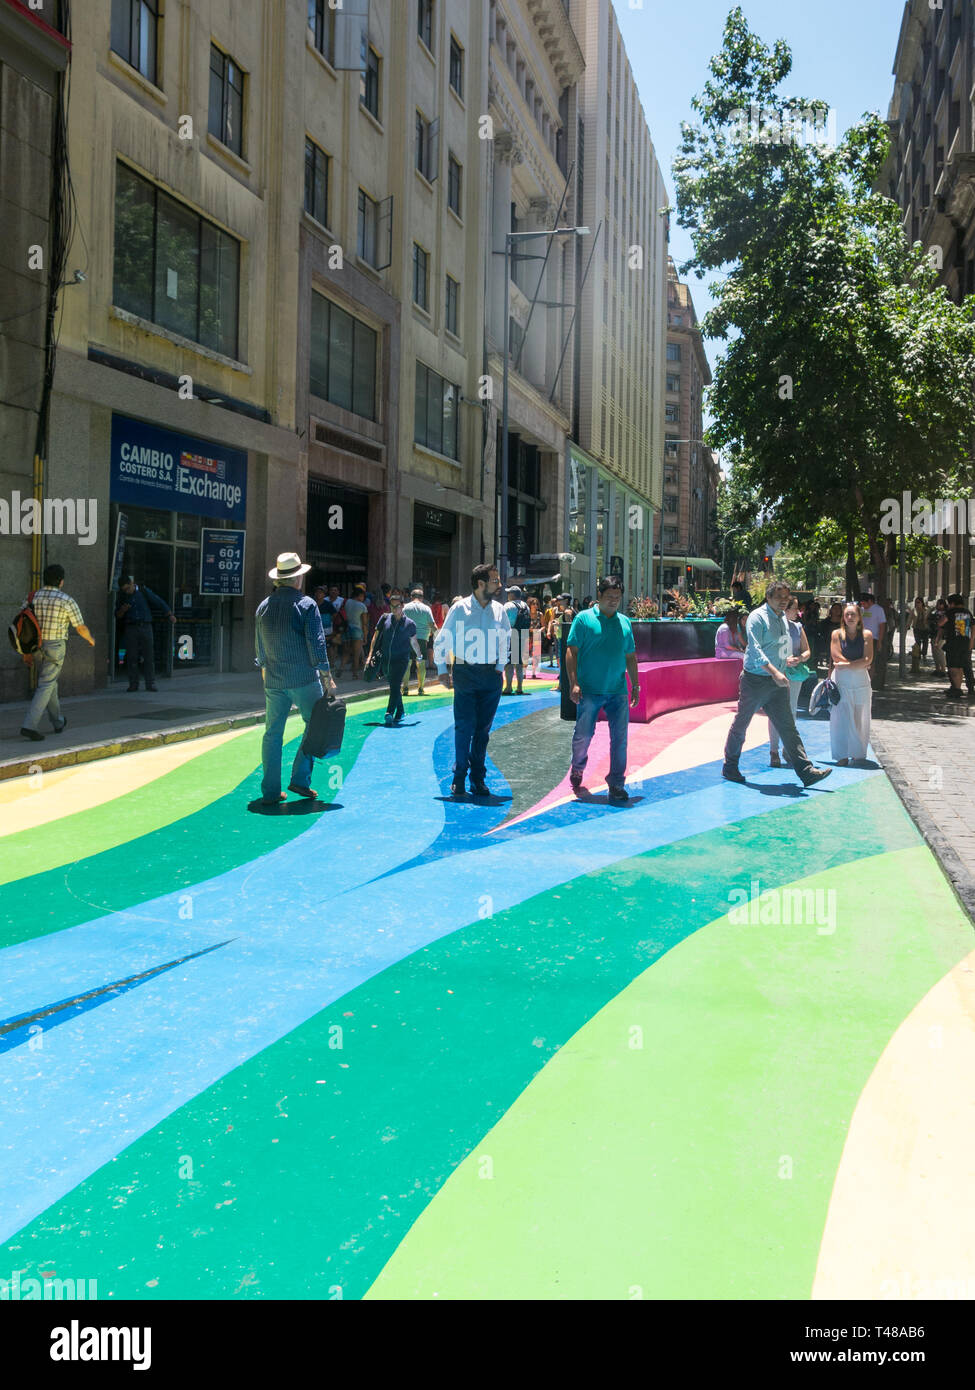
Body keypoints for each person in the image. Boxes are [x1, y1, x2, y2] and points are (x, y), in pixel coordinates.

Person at [722, 579, 831, 787]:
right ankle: (730, 765)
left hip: (777, 681)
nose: (783, 601)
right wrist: (774, 672)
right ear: (768, 597)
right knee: (741, 724)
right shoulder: (757, 617)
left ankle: (806, 771)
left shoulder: (782, 619)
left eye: (786, 597)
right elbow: (754, 650)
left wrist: (784, 670)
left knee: (788, 726)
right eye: (779, 597)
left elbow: (781, 647)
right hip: (755, 680)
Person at [255, 551, 336, 805]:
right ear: (298, 578)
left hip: (274, 680)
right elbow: (317, 644)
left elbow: (260, 648)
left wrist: (265, 672)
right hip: (303, 678)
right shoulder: (307, 605)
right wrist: (327, 677)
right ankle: (300, 779)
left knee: (272, 734)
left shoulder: (263, 606)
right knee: (314, 726)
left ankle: (270, 790)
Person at [434, 564, 511, 797]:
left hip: (491, 677)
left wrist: (499, 668)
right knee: (464, 727)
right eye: (495, 580)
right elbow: (442, 639)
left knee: (482, 730)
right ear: (481, 584)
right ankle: (459, 777)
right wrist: (441, 669)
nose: (499, 584)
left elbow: (507, 639)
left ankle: (478, 778)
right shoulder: (460, 609)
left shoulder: (499, 611)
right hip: (465, 672)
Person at [564, 577, 640, 802]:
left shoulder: (624, 622)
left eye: (618, 597)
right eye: (610, 597)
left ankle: (616, 783)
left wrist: (635, 685)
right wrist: (573, 682)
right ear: (599, 596)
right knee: (584, 735)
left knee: (620, 738)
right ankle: (578, 767)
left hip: (618, 691)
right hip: (589, 690)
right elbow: (571, 652)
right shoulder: (584, 619)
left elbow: (631, 656)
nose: (614, 601)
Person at [20, 563, 96, 741]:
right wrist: (90, 639)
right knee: (46, 685)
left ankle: (58, 722)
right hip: (55, 647)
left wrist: (26, 652)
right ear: (61, 581)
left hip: (36, 646)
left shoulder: (32, 597)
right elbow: (80, 626)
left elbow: (23, 624)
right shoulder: (66, 600)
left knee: (50, 684)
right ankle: (29, 725)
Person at [366, 593, 424, 725]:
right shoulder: (384, 618)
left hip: (401, 660)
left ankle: (389, 712)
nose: (394, 609)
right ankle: (401, 711)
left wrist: (419, 656)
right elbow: (375, 638)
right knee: (394, 686)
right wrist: (370, 655)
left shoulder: (410, 624)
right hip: (386, 659)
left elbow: (414, 642)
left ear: (402, 606)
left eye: (397, 606)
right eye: (392, 606)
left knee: (395, 684)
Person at [768, 596, 812, 767]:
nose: (797, 612)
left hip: (793, 674)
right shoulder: (773, 627)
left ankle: (789, 749)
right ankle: (774, 750)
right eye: (795, 609)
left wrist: (799, 658)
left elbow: (807, 650)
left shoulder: (797, 628)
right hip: (776, 672)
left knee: (792, 710)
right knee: (775, 711)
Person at [829, 602, 874, 763]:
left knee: (859, 717)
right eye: (847, 614)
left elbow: (869, 658)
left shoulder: (867, 634)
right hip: (842, 680)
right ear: (843, 617)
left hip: (861, 680)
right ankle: (841, 755)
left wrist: (848, 665)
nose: (850, 617)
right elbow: (836, 656)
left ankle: (857, 752)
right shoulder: (836, 634)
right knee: (841, 718)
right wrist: (859, 664)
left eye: (853, 614)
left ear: (859, 617)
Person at [116, 574, 175, 691]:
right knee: (132, 656)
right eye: (124, 590)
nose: (127, 591)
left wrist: (169, 614)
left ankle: (150, 683)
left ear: (132, 584)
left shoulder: (143, 592)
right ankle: (133, 683)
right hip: (131, 627)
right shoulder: (122, 597)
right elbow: (117, 615)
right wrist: (122, 610)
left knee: (148, 655)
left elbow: (158, 601)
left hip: (146, 626)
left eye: (128, 588)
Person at [401, 587, 437, 696]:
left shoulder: (404, 607)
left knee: (407, 663)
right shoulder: (426, 609)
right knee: (420, 664)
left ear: (411, 597)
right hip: (421, 640)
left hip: (406, 639)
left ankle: (405, 688)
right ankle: (420, 688)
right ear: (422, 598)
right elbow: (432, 625)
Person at [943, 592, 975, 700]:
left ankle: (956, 689)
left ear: (952, 603)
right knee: (965, 666)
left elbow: (941, 623)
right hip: (965, 643)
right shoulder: (968, 612)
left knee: (953, 667)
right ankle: (970, 688)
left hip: (953, 643)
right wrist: (971, 642)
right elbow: (973, 628)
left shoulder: (951, 612)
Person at [503, 584, 532, 694]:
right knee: (519, 663)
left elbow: (503, 620)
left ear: (512, 594)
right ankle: (519, 687)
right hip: (523, 634)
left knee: (509, 663)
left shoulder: (508, 605)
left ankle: (508, 687)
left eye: (509, 593)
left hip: (512, 634)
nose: (508, 595)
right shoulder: (526, 606)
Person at [859, 593, 887, 689]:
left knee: (871, 661)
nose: (863, 606)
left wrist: (879, 641)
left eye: (864, 603)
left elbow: (882, 626)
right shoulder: (862, 610)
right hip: (861, 638)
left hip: (873, 638)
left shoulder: (878, 610)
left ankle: (869, 683)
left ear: (870, 601)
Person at [342, 584, 369, 678]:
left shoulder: (347, 602)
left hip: (347, 629)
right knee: (356, 654)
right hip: (357, 630)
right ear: (360, 595)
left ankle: (341, 668)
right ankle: (355, 674)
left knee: (347, 651)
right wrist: (365, 636)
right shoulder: (362, 606)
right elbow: (365, 623)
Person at [930, 597, 948, 674]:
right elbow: (927, 618)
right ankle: (937, 668)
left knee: (939, 651)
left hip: (941, 635)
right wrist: (930, 609)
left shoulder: (946, 614)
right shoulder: (935, 613)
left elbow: (941, 626)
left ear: (942, 605)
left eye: (938, 604)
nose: (936, 606)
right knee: (934, 652)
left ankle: (943, 669)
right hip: (933, 634)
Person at [911, 596, 930, 668]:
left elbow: (930, 612)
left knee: (925, 642)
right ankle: (918, 656)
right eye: (916, 602)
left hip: (925, 629)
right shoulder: (914, 610)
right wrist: (907, 625)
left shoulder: (926, 610)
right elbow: (910, 618)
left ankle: (924, 654)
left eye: (918, 602)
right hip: (917, 629)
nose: (917, 604)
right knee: (918, 642)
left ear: (922, 603)